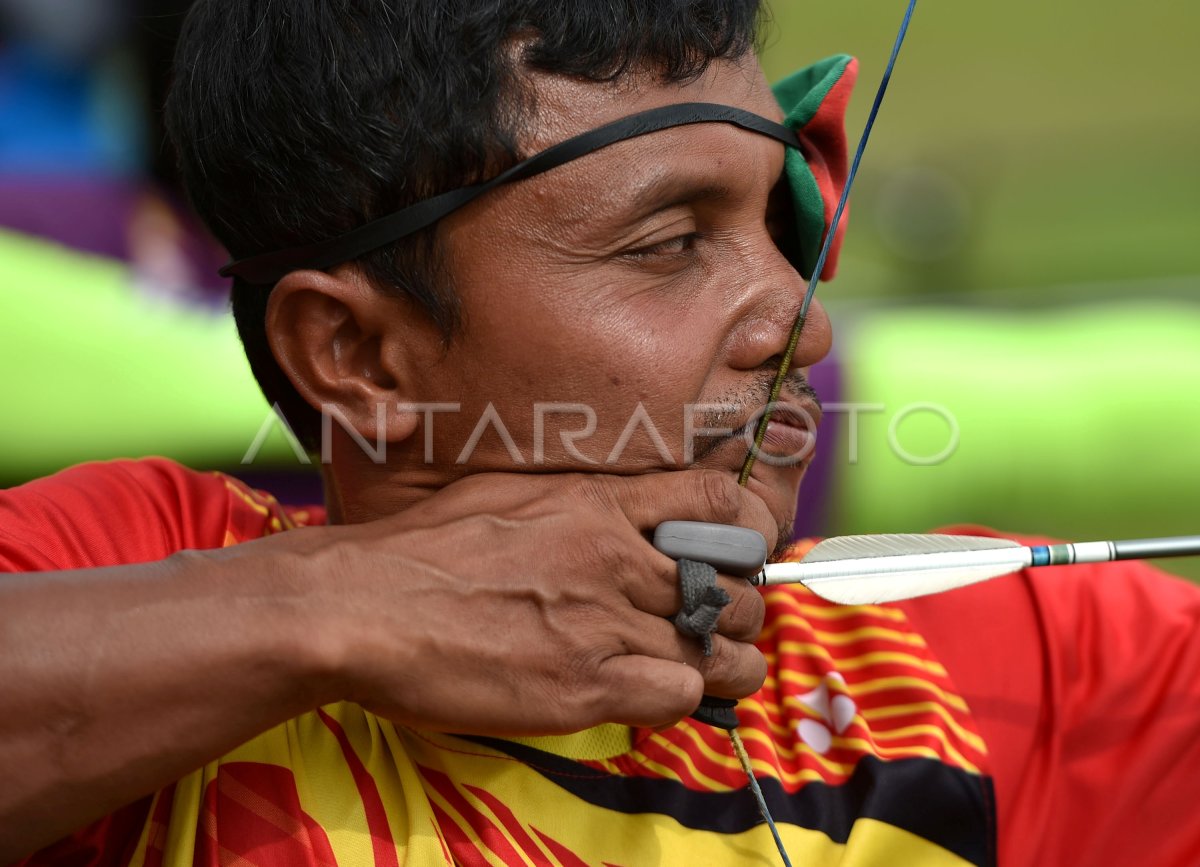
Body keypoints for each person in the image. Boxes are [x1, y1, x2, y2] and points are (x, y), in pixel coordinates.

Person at [3, 2, 1200, 865]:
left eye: (778, 227)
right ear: (359, 355)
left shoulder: (983, 665)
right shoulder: (141, 570)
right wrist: (337, 610)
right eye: (668, 243)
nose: (802, 325)